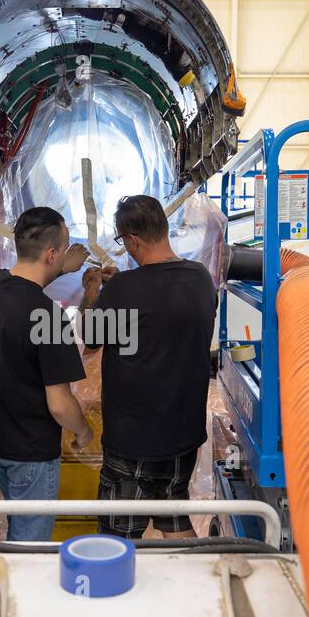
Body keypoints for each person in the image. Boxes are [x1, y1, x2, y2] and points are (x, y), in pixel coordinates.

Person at [81, 194, 218, 539]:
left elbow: (91, 339)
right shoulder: (201, 279)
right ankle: (191, 582)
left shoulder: (123, 290)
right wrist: (124, 284)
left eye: (122, 241)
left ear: (131, 239)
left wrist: (92, 291)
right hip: (183, 435)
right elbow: (160, 310)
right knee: (174, 517)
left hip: (133, 440)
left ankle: (119, 591)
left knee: (118, 534)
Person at [0, 206, 92, 541]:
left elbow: (27, 284)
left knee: (16, 525)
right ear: (52, 253)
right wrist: (83, 432)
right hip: (31, 455)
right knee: (30, 547)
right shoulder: (50, 318)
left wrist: (61, 268)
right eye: (64, 249)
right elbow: (59, 405)